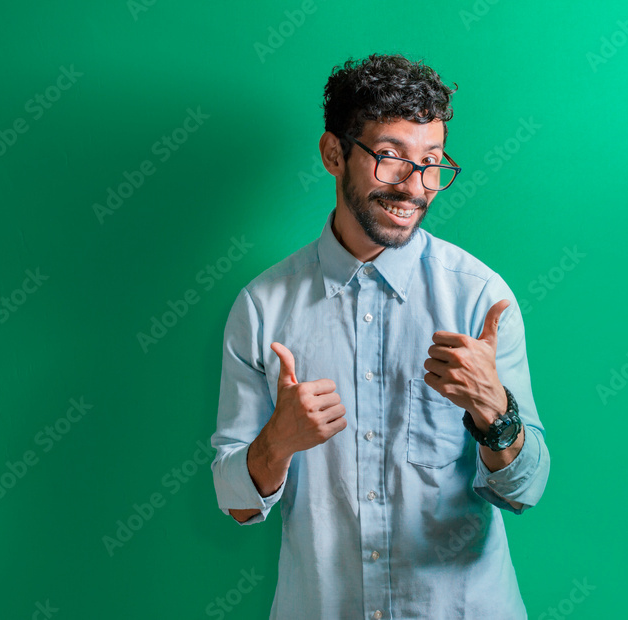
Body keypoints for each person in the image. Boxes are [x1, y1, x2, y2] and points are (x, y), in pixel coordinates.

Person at [210, 53, 550, 619]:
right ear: (333, 154)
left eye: (432, 162)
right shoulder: (261, 308)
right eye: (390, 157)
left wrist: (498, 414)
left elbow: (524, 490)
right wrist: (280, 439)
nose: (414, 186)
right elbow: (237, 505)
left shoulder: (480, 299)